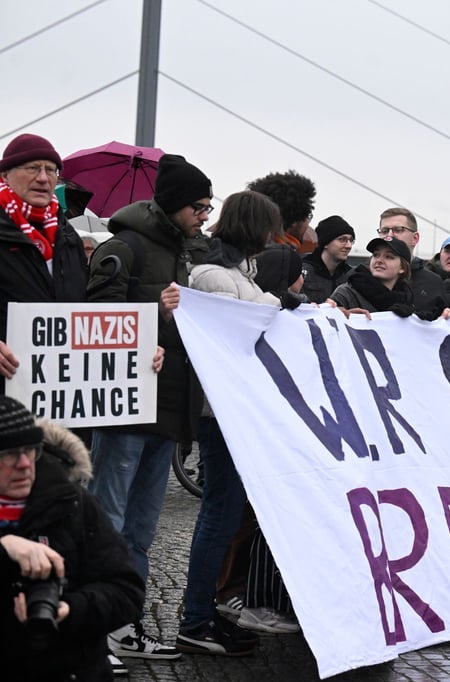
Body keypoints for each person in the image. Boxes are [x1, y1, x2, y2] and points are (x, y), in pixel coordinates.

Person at [85, 153, 213, 660]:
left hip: (167, 410)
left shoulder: (183, 252)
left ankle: (124, 624)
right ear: (177, 204)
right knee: (108, 519)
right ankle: (94, 629)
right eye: (200, 206)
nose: (206, 215)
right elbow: (91, 318)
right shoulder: (125, 246)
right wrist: (150, 315)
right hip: (125, 408)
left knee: (141, 528)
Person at [176, 191, 286, 656]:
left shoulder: (236, 274)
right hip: (218, 413)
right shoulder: (215, 278)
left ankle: (203, 613)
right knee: (219, 514)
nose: (271, 238)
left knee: (224, 513)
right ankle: (195, 619)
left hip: (232, 412)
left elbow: (271, 307)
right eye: (268, 228)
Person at [1, 395, 145, 681]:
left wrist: (71, 609)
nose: (24, 464)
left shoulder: (74, 503)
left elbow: (127, 592)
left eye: (30, 450)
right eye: (8, 454)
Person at [0, 134, 88, 391]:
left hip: (57, 393)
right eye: (32, 168)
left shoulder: (68, 235)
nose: (43, 178)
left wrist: (136, 347)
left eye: (51, 170)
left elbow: (88, 304)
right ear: (5, 175)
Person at [329, 237, 420, 316]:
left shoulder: (407, 301)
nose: (379, 260)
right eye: (376, 255)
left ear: (402, 267)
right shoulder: (346, 294)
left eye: (388, 257)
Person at [377, 208, 443, 311]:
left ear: (415, 238)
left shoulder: (433, 283)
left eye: (398, 230)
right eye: (384, 231)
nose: (389, 235)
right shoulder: (360, 279)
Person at [247, 170, 317, 253]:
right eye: (307, 217)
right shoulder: (284, 258)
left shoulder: (246, 248)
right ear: (294, 221)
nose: (307, 224)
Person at [300, 215, 354, 304]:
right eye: (342, 239)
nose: (349, 245)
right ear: (325, 243)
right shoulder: (301, 272)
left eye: (351, 240)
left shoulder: (352, 276)